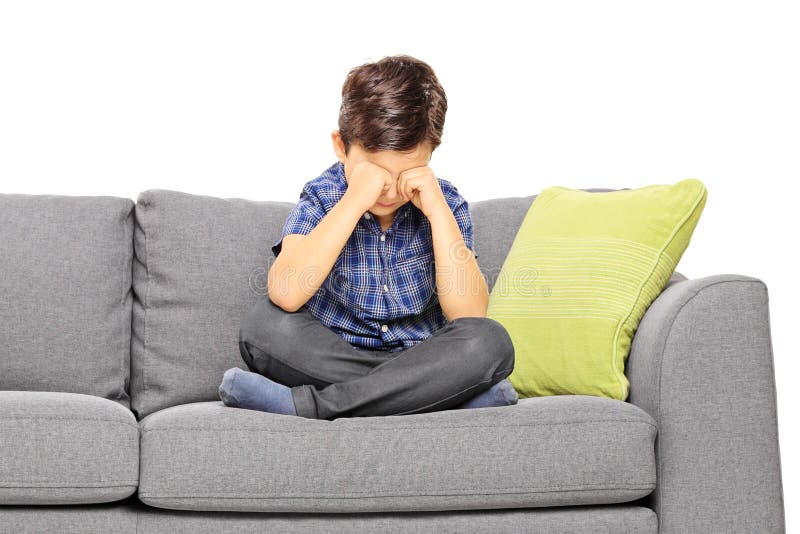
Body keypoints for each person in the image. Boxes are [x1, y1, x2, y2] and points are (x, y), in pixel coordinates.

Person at [218, 54, 517, 420]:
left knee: (490, 342)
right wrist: (355, 198)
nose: (388, 190)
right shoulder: (324, 195)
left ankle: (311, 405)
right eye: (375, 171)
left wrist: (438, 213)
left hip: (423, 356)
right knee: (262, 327)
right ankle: (436, 397)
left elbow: (470, 316)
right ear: (341, 147)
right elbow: (286, 292)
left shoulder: (446, 202)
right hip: (338, 355)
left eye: (406, 171)